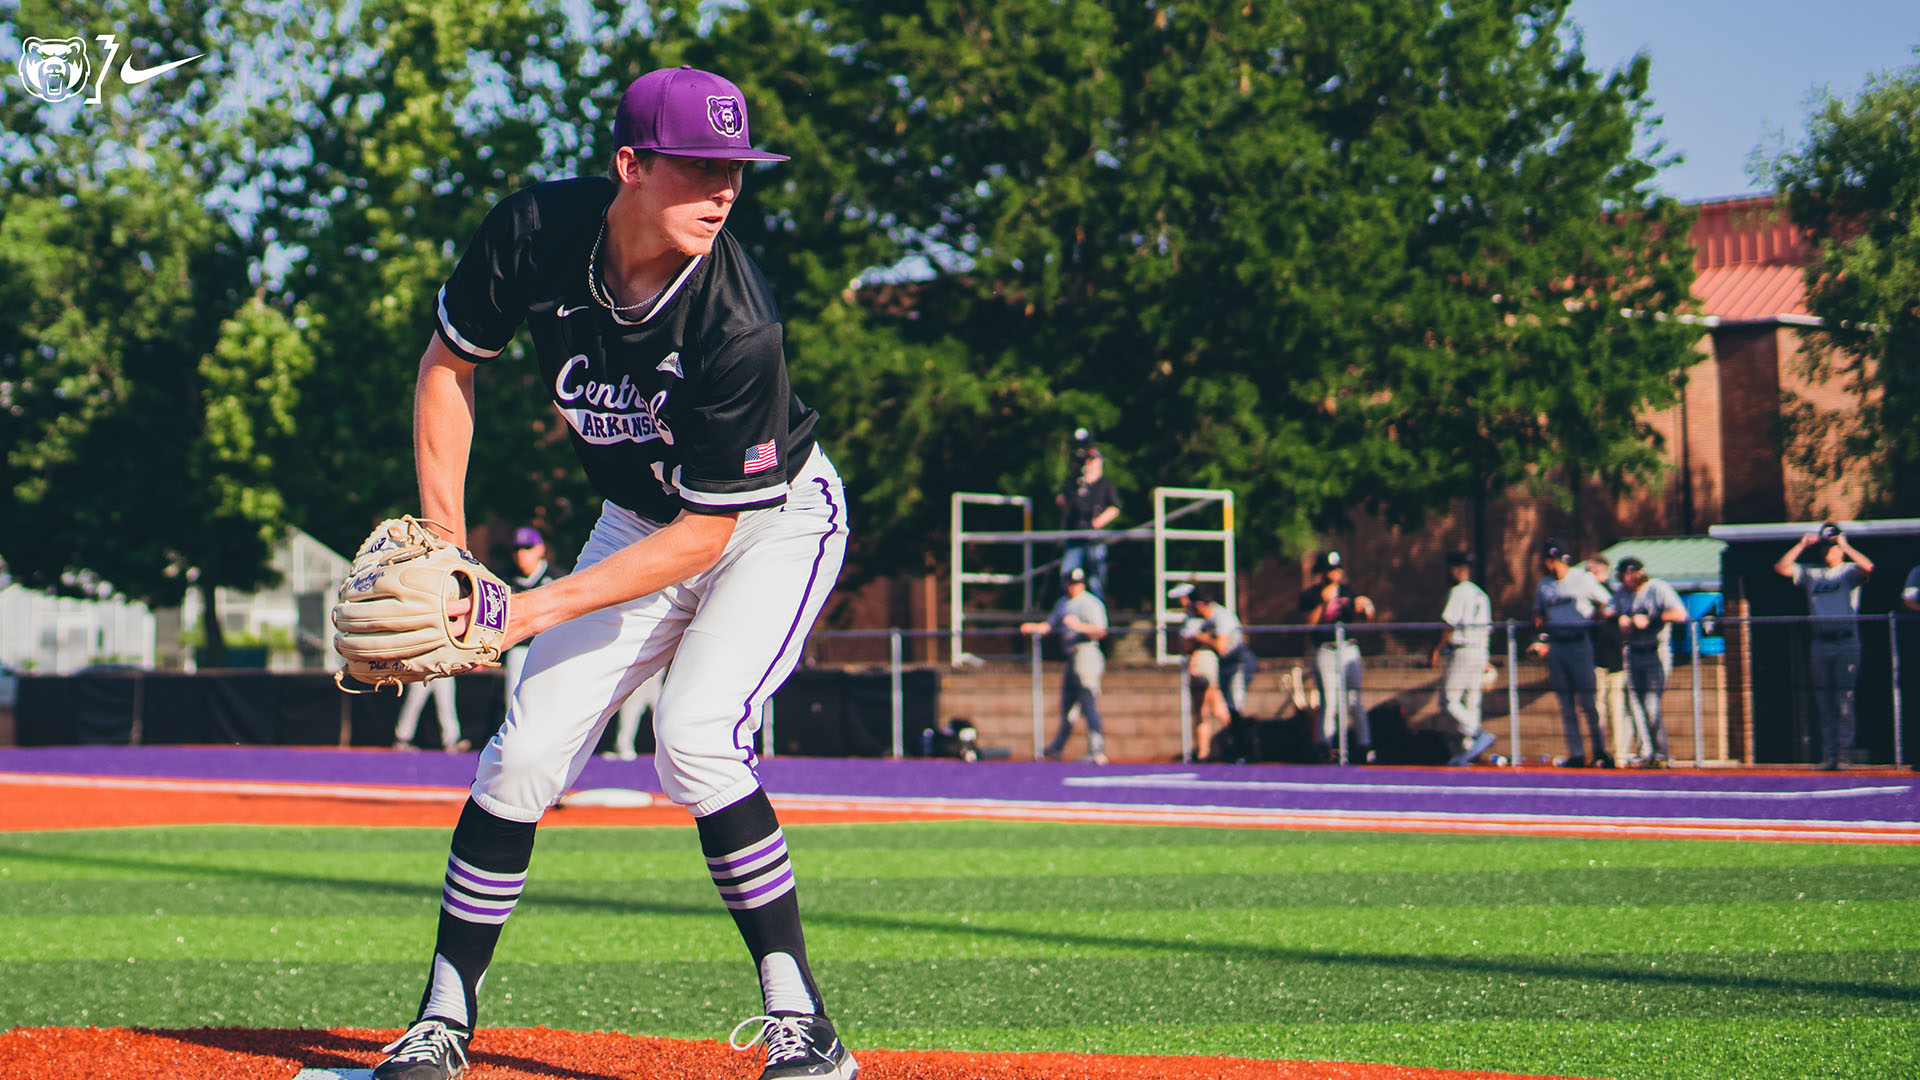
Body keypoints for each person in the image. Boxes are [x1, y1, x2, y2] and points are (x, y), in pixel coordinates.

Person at [371, 67, 855, 1080]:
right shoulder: (535, 235)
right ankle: (443, 1017)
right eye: (699, 167)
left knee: (693, 740)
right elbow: (448, 366)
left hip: (768, 524)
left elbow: (706, 536)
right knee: (522, 753)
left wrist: (527, 609)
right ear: (630, 166)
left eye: (736, 170)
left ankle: (802, 1019)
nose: (724, 191)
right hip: (636, 517)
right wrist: (453, 554)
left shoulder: (736, 320)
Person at [1774, 523, 1874, 770]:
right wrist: (1801, 545)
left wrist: (1845, 546)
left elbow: (1868, 567)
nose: (1827, 552)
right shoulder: (1812, 574)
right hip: (1821, 641)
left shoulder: (1848, 572)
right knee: (1824, 702)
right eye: (1825, 548)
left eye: (1832, 547)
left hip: (1846, 640)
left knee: (1844, 701)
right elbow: (1781, 568)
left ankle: (1843, 755)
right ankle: (1828, 755)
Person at [1529, 539, 1613, 768]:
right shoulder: (1544, 585)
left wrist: (1597, 618)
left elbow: (1608, 602)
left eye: (1554, 560)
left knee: (1588, 701)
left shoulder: (1581, 579)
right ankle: (1576, 753)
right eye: (1549, 560)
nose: (1551, 565)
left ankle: (1600, 750)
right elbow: (1538, 613)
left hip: (1580, 643)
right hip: (1558, 645)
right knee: (1566, 704)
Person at [1020, 566, 1110, 764]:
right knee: (1067, 706)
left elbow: (1101, 631)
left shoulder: (1090, 603)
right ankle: (1057, 748)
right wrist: (1033, 628)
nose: (1074, 587)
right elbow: (1049, 625)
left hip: (1087, 653)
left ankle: (1097, 750)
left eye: (1077, 583)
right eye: (1071, 583)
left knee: (1088, 703)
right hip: (1070, 656)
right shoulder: (1063, 603)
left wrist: (1078, 626)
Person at [1299, 551, 1374, 762]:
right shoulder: (1311, 595)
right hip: (1326, 649)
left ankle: (1364, 745)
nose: (1335, 573)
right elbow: (1309, 625)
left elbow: (1365, 615)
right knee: (1329, 701)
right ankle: (1326, 746)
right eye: (1330, 570)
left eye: (1337, 569)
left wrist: (1365, 608)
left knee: (1354, 700)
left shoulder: (1348, 592)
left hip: (1348, 648)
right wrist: (1323, 603)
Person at [1613, 556, 1688, 768]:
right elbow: (1606, 610)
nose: (1627, 579)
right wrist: (1619, 619)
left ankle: (1661, 753)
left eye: (1631, 574)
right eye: (1624, 575)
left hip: (1655, 651)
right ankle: (1646, 752)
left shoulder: (1657, 588)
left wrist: (1651, 620)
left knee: (1651, 705)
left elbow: (1680, 614)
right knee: (1634, 705)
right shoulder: (1622, 594)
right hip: (1632, 651)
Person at [1175, 584, 1258, 761]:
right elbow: (1185, 645)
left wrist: (1202, 638)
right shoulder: (1194, 617)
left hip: (1237, 663)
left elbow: (1221, 647)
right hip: (1216, 666)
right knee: (1205, 707)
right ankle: (1206, 753)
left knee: (1232, 705)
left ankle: (1242, 748)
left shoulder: (1222, 617)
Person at [1431, 551, 1495, 767]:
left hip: (1465, 649)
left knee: (1448, 700)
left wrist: (1436, 649)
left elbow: (1449, 623)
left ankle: (1477, 734)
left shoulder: (1459, 592)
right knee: (1471, 702)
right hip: (1480, 649)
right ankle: (1468, 752)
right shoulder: (1481, 594)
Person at [500, 526, 562, 720]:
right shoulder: (506, 580)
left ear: (540, 549)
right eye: (517, 549)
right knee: (514, 705)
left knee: (552, 703)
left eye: (527, 548)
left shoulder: (557, 578)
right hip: (519, 648)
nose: (521, 554)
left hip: (552, 650)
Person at [1584, 555, 1636, 767]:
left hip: (1614, 663)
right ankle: (1600, 752)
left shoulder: (1614, 596)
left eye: (1590, 571)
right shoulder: (1586, 600)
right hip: (1596, 662)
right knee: (1597, 710)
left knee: (1616, 708)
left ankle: (1619, 755)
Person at [1056, 443, 1119, 602]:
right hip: (1075, 536)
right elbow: (1061, 500)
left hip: (1094, 537)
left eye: (1092, 459)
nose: (1088, 463)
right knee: (1068, 573)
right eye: (1086, 459)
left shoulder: (1105, 484)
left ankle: (1098, 610)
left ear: (1099, 461)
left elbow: (1115, 507)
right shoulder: (1075, 482)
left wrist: (1098, 521)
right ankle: (1066, 609)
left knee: (1095, 578)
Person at [393, 680, 470, 753]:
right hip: (423, 671)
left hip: (443, 672)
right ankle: (402, 740)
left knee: (446, 706)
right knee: (413, 705)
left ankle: (452, 741)